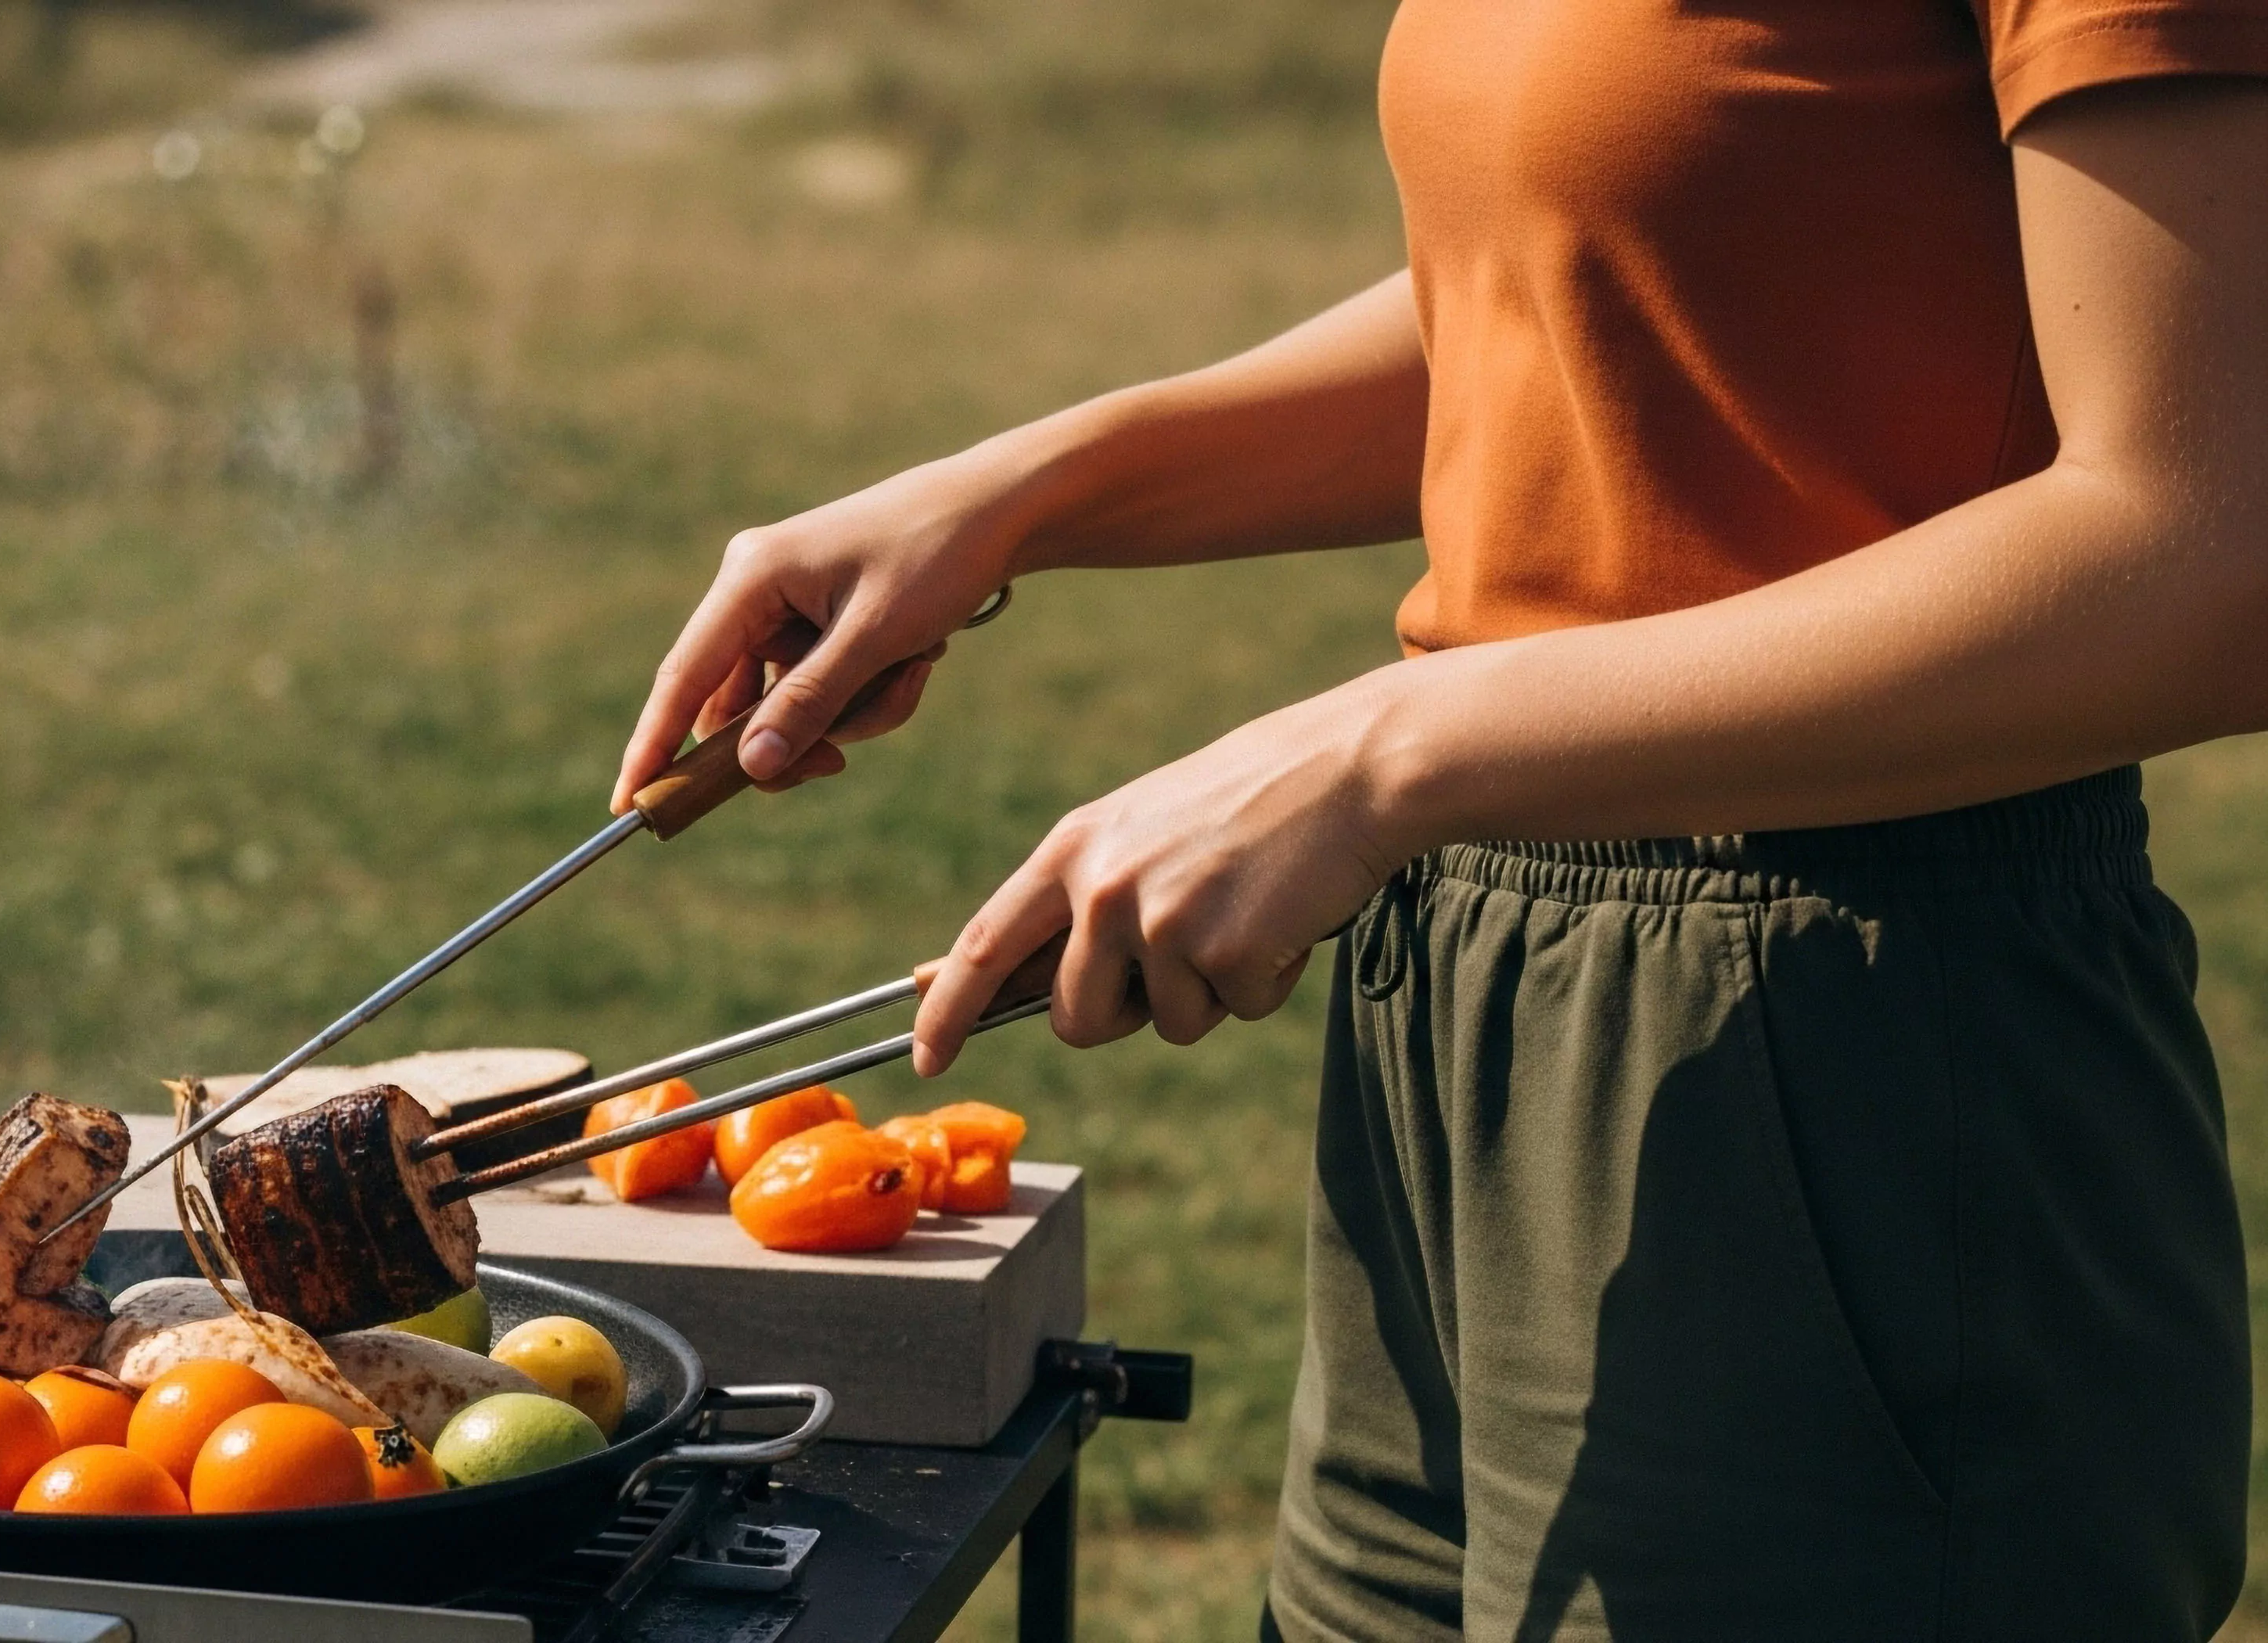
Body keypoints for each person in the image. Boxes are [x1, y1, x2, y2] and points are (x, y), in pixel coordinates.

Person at [613, 5, 2268, 1639]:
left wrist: (1387, 750)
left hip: (1855, 1048)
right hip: (1463, 1008)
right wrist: (1033, 489)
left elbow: (2208, 557)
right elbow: (1609, 295)